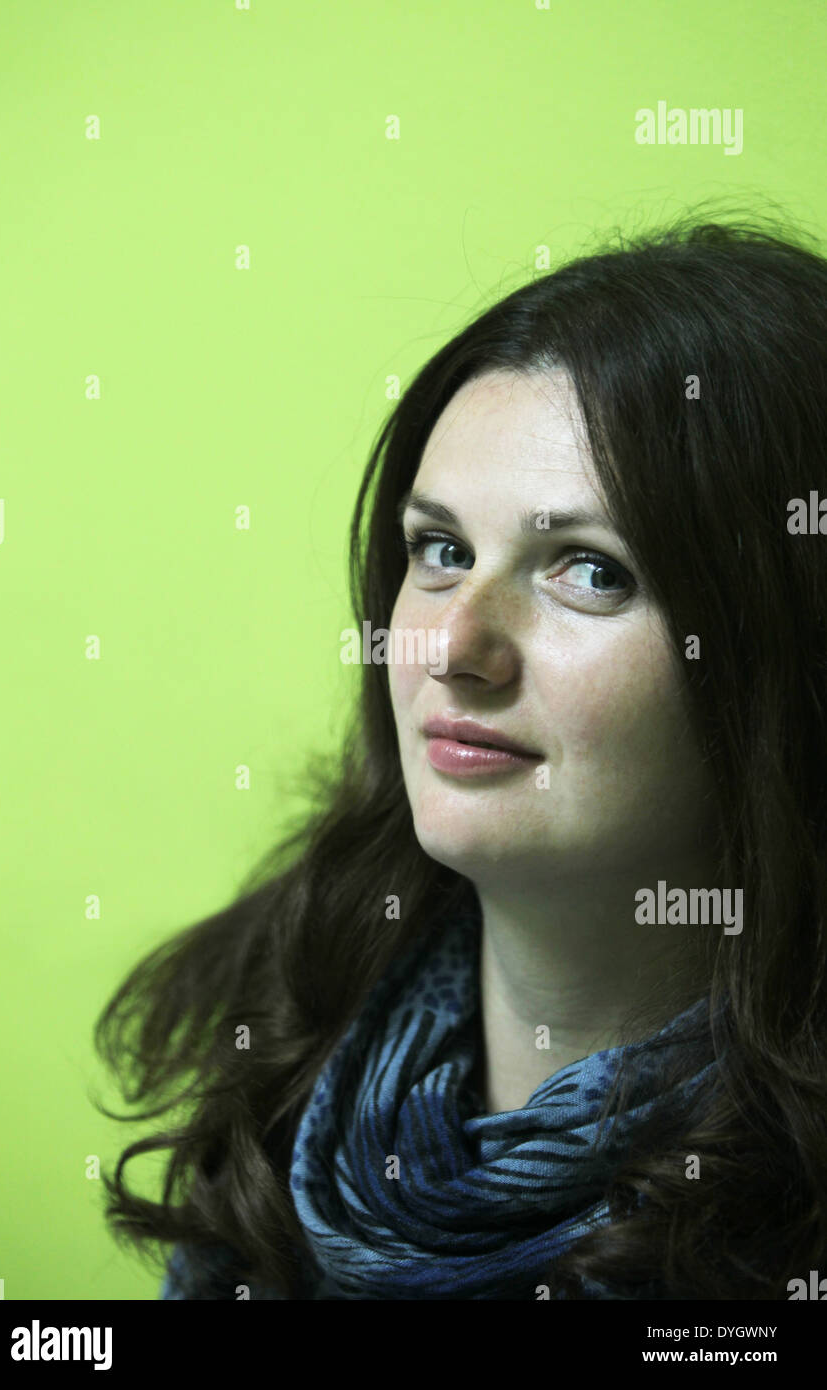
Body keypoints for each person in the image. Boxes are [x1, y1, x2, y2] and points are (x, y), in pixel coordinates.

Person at [95, 208, 827, 1300]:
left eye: (588, 570)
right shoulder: (274, 1022)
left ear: (779, 642)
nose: (447, 644)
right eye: (440, 551)